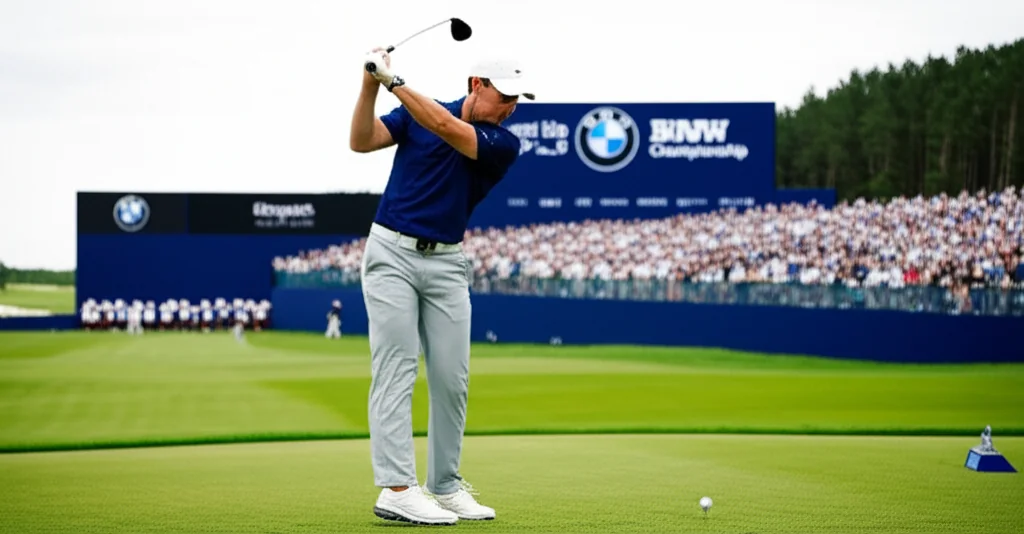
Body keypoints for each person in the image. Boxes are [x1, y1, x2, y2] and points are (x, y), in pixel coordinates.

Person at [352, 47, 533, 526]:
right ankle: (396, 489)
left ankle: (446, 486)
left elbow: (447, 128)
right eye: (505, 96)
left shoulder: (501, 142)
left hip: (448, 264)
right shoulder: (415, 112)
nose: (511, 107)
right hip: (390, 251)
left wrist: (392, 79)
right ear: (477, 84)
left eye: (517, 100)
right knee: (396, 367)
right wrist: (371, 83)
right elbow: (361, 140)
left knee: (452, 379)